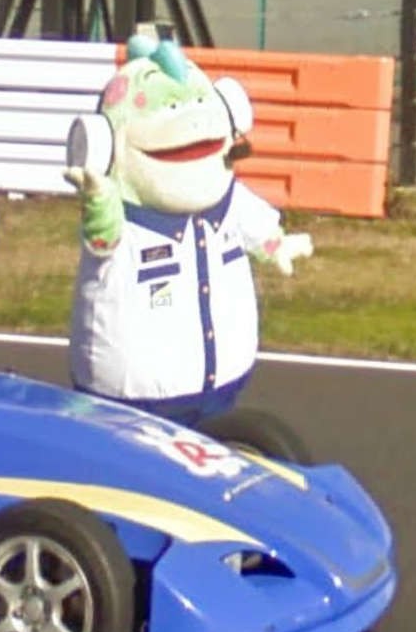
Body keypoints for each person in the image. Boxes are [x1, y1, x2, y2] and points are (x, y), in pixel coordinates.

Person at [61, 32, 314, 427]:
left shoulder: (229, 202)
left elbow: (258, 227)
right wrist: (97, 197)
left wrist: (276, 243)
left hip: (222, 386)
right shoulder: (121, 219)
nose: (194, 120)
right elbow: (101, 236)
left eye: (200, 103)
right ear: (102, 143)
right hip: (135, 403)